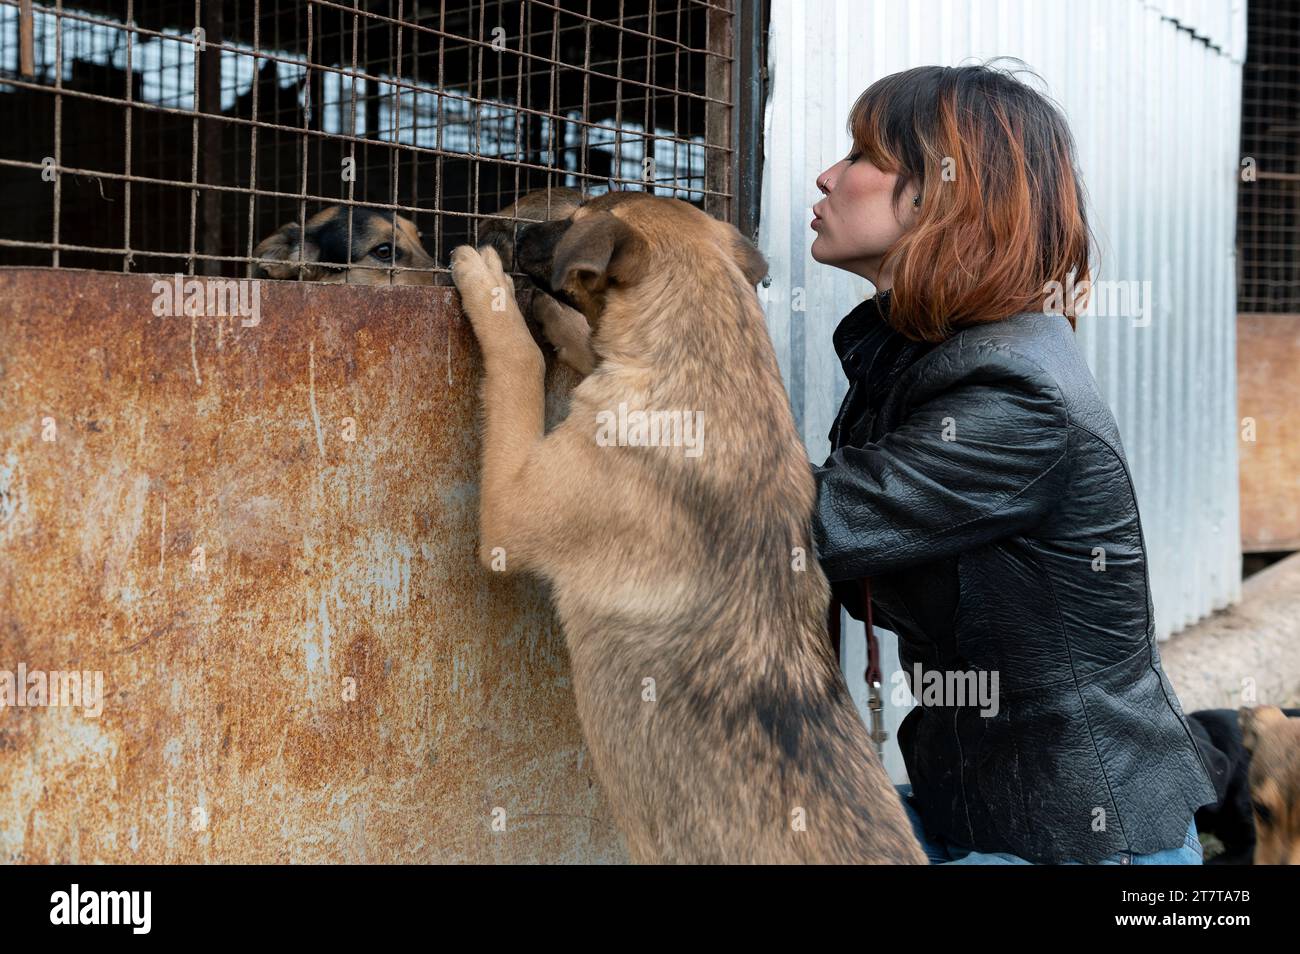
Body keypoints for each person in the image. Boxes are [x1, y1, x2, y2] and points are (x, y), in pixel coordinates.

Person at [808, 61, 1217, 864]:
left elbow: (810, 526)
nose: (827, 175)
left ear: (942, 195)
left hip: (1077, 838)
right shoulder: (926, 355)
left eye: (862, 154)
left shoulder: (1014, 392)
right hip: (987, 805)